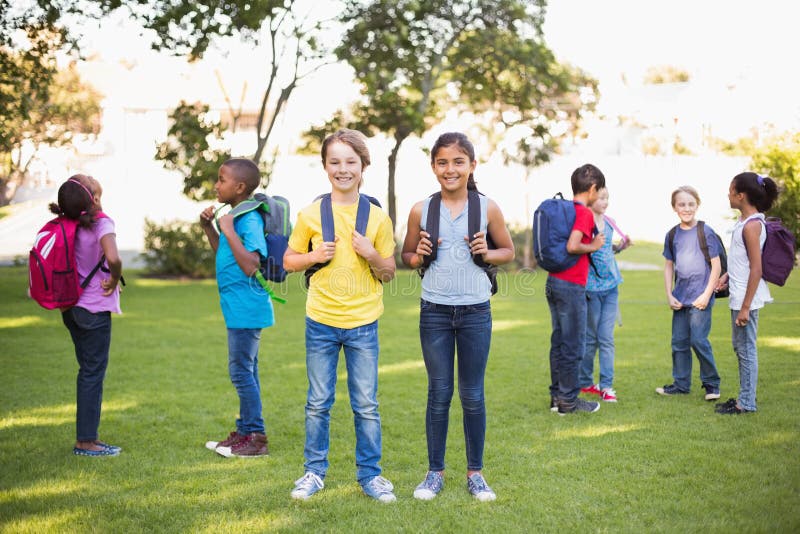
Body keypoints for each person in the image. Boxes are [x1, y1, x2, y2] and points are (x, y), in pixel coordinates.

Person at [284, 129, 397, 502]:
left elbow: (388, 272)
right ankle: (314, 472)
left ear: (364, 166)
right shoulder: (311, 214)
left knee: (366, 404)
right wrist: (314, 256)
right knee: (318, 402)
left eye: (351, 162)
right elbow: (288, 261)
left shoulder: (377, 218)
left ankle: (371, 476)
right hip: (321, 322)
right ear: (325, 166)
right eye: (335, 162)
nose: (343, 169)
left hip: (363, 323)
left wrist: (371, 254)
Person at [401, 132, 515, 502]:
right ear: (433, 167)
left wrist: (488, 252)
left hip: (475, 312)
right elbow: (407, 257)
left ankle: (475, 473)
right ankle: (434, 472)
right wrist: (418, 254)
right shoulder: (420, 210)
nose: (450, 169)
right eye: (442, 162)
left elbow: (508, 251)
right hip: (434, 311)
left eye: (458, 162)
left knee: (472, 394)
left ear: (472, 166)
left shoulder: (487, 208)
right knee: (439, 392)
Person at [200, 158, 273, 458]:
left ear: (240, 187)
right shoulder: (235, 217)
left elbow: (252, 264)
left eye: (222, 179)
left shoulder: (248, 219)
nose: (216, 185)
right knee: (247, 371)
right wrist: (209, 227)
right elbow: (226, 252)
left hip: (247, 307)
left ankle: (256, 437)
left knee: (241, 372)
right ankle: (244, 433)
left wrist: (228, 229)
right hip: (237, 306)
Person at [52, 175, 124, 457]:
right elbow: (114, 258)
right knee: (92, 373)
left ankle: (87, 437)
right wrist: (114, 278)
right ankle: (86, 442)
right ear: (93, 198)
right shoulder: (102, 223)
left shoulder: (67, 223)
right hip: (93, 309)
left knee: (87, 371)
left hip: (70, 307)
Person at [714, 172, 778, 414]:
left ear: (741, 196)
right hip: (739, 294)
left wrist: (745, 307)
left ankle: (747, 403)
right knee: (740, 348)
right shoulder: (744, 222)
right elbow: (740, 262)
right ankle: (744, 397)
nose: (728, 195)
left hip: (746, 299)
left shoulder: (752, 226)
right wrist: (726, 276)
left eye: (731, 191)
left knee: (746, 350)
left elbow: (756, 268)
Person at [547, 164, 606, 415]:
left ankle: (556, 397)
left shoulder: (564, 210)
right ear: (592, 189)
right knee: (573, 344)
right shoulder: (583, 213)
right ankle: (569, 401)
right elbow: (573, 246)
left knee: (559, 341)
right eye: (599, 190)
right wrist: (594, 245)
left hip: (554, 281)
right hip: (571, 285)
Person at [657, 186, 722, 401]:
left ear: (697, 205)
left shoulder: (706, 231)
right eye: (682, 204)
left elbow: (716, 265)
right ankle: (681, 385)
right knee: (679, 343)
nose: (686, 208)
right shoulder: (672, 235)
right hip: (680, 297)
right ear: (674, 207)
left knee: (698, 340)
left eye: (691, 204)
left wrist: (706, 295)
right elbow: (668, 266)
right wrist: (669, 294)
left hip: (701, 297)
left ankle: (712, 384)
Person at [579, 187, 631, 403]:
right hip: (591, 289)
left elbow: (606, 251)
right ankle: (585, 382)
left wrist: (620, 247)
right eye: (601, 198)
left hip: (611, 287)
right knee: (590, 338)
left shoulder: (610, 222)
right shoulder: (584, 224)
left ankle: (607, 386)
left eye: (607, 198)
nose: (605, 201)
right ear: (591, 199)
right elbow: (579, 249)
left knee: (606, 338)